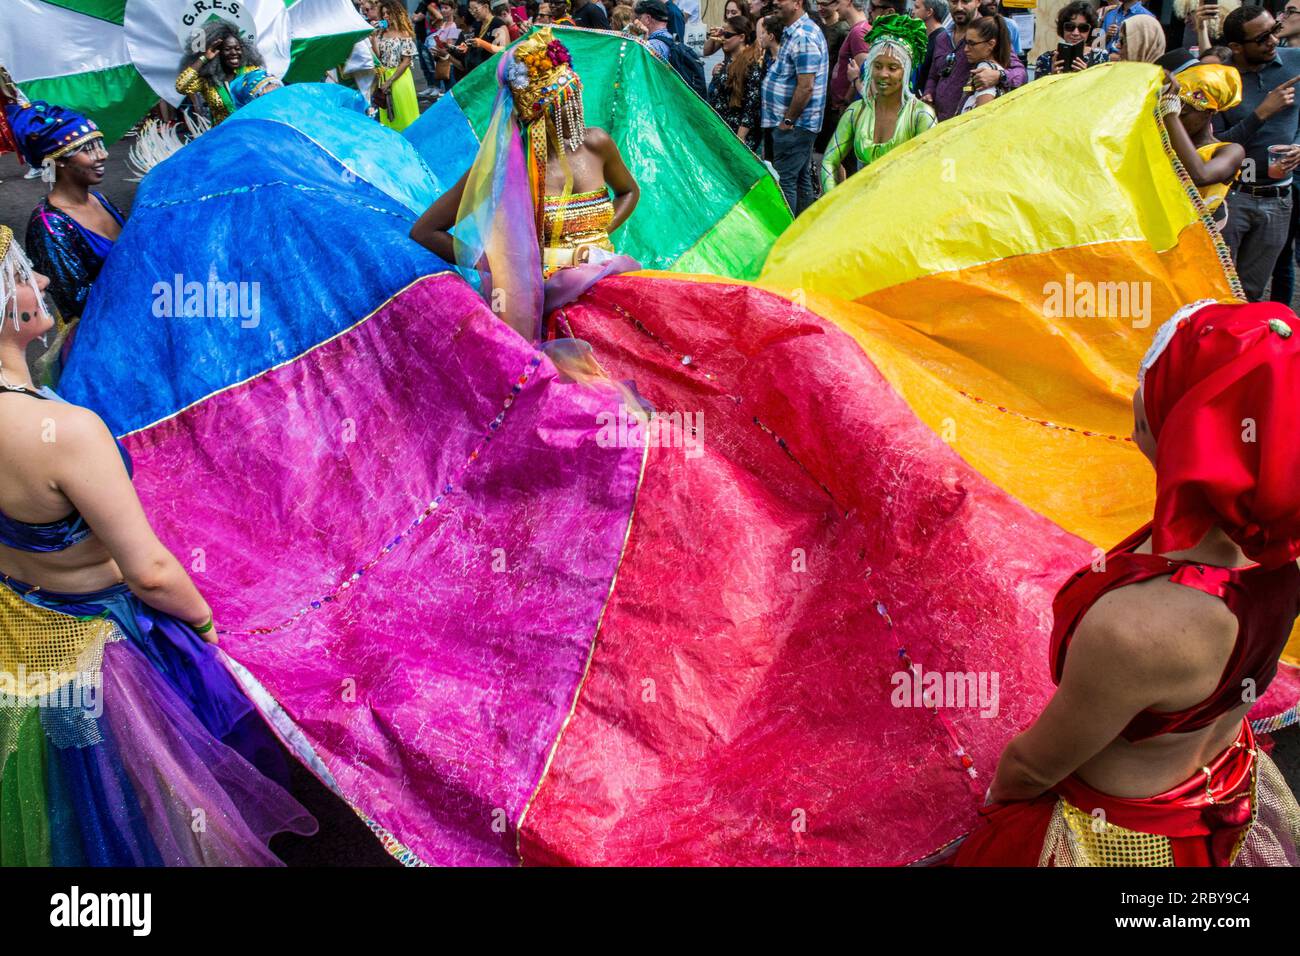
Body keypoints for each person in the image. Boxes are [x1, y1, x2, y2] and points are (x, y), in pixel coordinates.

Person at [0, 225, 319, 865]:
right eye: (24, 276)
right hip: (109, 645)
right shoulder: (63, 430)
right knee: (155, 806)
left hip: (19, 627)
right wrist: (205, 623)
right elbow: (150, 572)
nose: (40, 282)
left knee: (70, 819)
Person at [954, 299, 1300, 868]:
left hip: (1126, 839)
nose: (1138, 388)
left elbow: (1034, 766)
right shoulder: (1277, 540)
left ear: (1192, 431)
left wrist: (999, 811)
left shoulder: (1140, 627)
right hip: (1226, 782)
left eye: (1156, 376)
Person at [410, 28, 640, 337]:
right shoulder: (502, 168)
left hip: (609, 285)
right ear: (528, 114)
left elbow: (628, 192)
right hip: (545, 308)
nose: (569, 112)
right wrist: (499, 264)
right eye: (557, 107)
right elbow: (425, 231)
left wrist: (597, 237)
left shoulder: (596, 143)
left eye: (570, 101)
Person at [8, 103, 125, 364]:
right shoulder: (49, 225)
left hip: (134, 322)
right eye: (88, 149)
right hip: (101, 346)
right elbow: (77, 301)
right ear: (57, 161)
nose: (103, 155)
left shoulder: (101, 200)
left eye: (100, 145)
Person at [1215, 4, 1300, 301]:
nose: (1273, 41)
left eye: (1274, 31)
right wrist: (1260, 114)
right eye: (1262, 38)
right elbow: (1215, 145)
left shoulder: (1295, 62)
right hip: (1232, 197)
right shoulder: (1221, 80)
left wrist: (1299, 145)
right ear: (1237, 46)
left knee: (1252, 293)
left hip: (1279, 199)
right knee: (1216, 287)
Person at [821, 14, 935, 190]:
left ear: (906, 71)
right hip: (859, 206)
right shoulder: (856, 111)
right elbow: (829, 160)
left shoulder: (921, 116)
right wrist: (833, 200)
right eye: (877, 66)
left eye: (893, 68)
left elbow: (931, 172)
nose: (883, 74)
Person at [761, 0, 829, 215]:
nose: (775, 2)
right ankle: (801, 230)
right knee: (800, 180)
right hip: (794, 126)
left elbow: (806, 87)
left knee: (785, 181)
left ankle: (786, 234)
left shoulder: (804, 36)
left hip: (796, 126)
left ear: (797, 3)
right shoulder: (794, 32)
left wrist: (787, 121)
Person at [1162, 64, 1247, 229]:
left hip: (1197, 242)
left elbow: (1200, 176)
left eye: (1183, 114)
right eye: (1175, 113)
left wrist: (1170, 113)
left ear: (1209, 112)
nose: (1178, 119)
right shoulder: (1162, 142)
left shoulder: (1230, 151)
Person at [923, 0, 1026, 122]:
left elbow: (1021, 73)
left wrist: (999, 76)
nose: (959, 7)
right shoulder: (942, 38)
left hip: (967, 128)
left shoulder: (987, 33)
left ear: (978, 2)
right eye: (954, 1)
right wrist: (929, 93)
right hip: (938, 124)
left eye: (966, 1)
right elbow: (933, 75)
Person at [174, 20, 268, 126]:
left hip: (250, 133)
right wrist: (204, 58)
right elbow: (181, 86)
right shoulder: (207, 81)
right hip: (222, 137)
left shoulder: (252, 72)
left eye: (237, 49)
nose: (234, 53)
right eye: (227, 49)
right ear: (217, 53)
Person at [708, 15, 764, 151]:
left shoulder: (751, 64)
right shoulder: (728, 60)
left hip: (737, 134)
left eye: (727, 34)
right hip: (721, 129)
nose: (722, 38)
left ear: (741, 37)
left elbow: (752, 104)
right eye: (722, 34)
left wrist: (741, 137)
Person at [365, 0, 420, 131]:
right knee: (388, 113)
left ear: (396, 14)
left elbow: (406, 61)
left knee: (403, 112)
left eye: (388, 13)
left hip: (400, 78)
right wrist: (373, 39)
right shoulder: (381, 33)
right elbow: (379, 58)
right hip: (384, 76)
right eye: (383, 13)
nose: (385, 16)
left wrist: (389, 81)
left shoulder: (404, 33)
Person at [635, 0, 707, 95]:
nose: (636, 22)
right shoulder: (671, 38)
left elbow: (641, 76)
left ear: (648, 19)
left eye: (639, 18)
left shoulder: (652, 46)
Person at [1033, 1, 1109, 79]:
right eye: (1070, 27)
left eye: (1083, 28)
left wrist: (1086, 76)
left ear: (1090, 30)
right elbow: (1036, 90)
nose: (1075, 33)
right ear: (1062, 28)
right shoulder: (1045, 59)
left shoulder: (1100, 57)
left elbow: (1104, 89)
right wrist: (1052, 77)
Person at [958, 15, 1011, 113]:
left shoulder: (985, 70)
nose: (966, 49)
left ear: (991, 44)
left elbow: (981, 116)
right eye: (966, 42)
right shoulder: (996, 69)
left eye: (972, 43)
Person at [464, 0, 513, 74]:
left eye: (475, 9)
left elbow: (503, 50)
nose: (473, 13)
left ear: (486, 7)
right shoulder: (479, 25)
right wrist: (467, 47)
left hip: (493, 73)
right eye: (471, 10)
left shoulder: (498, 24)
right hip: (479, 73)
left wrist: (482, 43)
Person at [915, 0, 949, 90]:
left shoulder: (942, 39)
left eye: (917, 7)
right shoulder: (924, 36)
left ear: (929, 12)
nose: (913, 12)